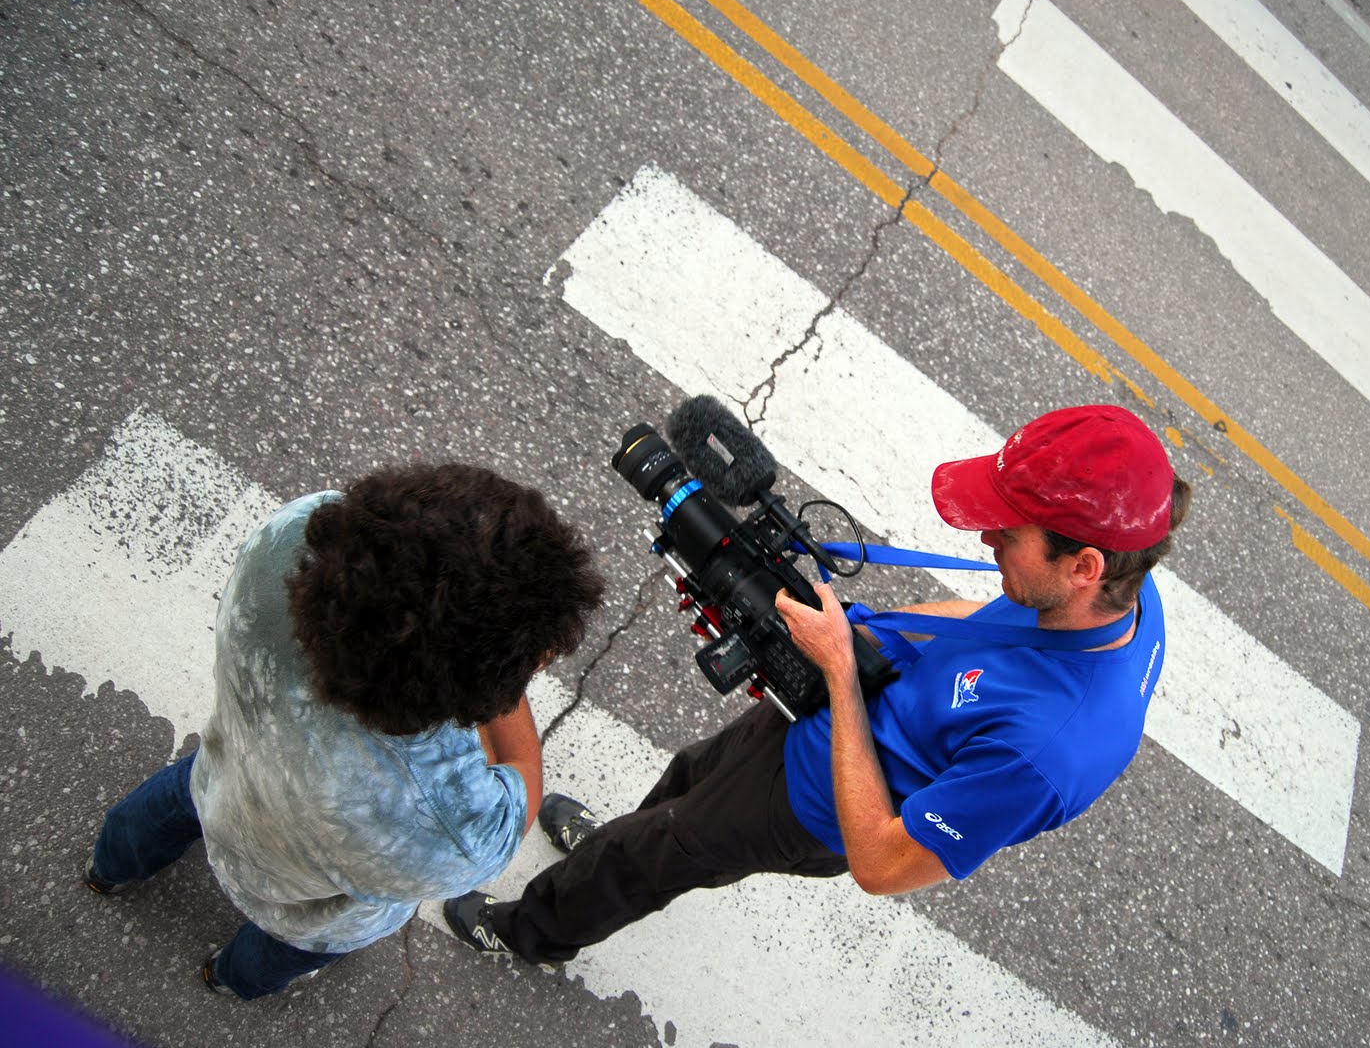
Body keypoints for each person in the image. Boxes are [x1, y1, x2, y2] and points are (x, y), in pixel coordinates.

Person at [444, 404, 1190, 963]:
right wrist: (849, 639)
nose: (986, 538)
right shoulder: (1119, 589)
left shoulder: (1046, 754)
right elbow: (979, 617)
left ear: (1084, 564)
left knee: (658, 852)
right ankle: (600, 852)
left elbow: (883, 863)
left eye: (1009, 532)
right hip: (831, 705)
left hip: (812, 802)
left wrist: (837, 671)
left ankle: (532, 930)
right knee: (688, 776)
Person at [83, 463, 605, 999]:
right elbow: (521, 778)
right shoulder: (454, 822)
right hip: (304, 911)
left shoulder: (293, 537)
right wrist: (502, 675)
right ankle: (225, 979)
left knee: (161, 809)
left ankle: (108, 870)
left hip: (221, 782)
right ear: (467, 688)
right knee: (277, 954)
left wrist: (485, 652)